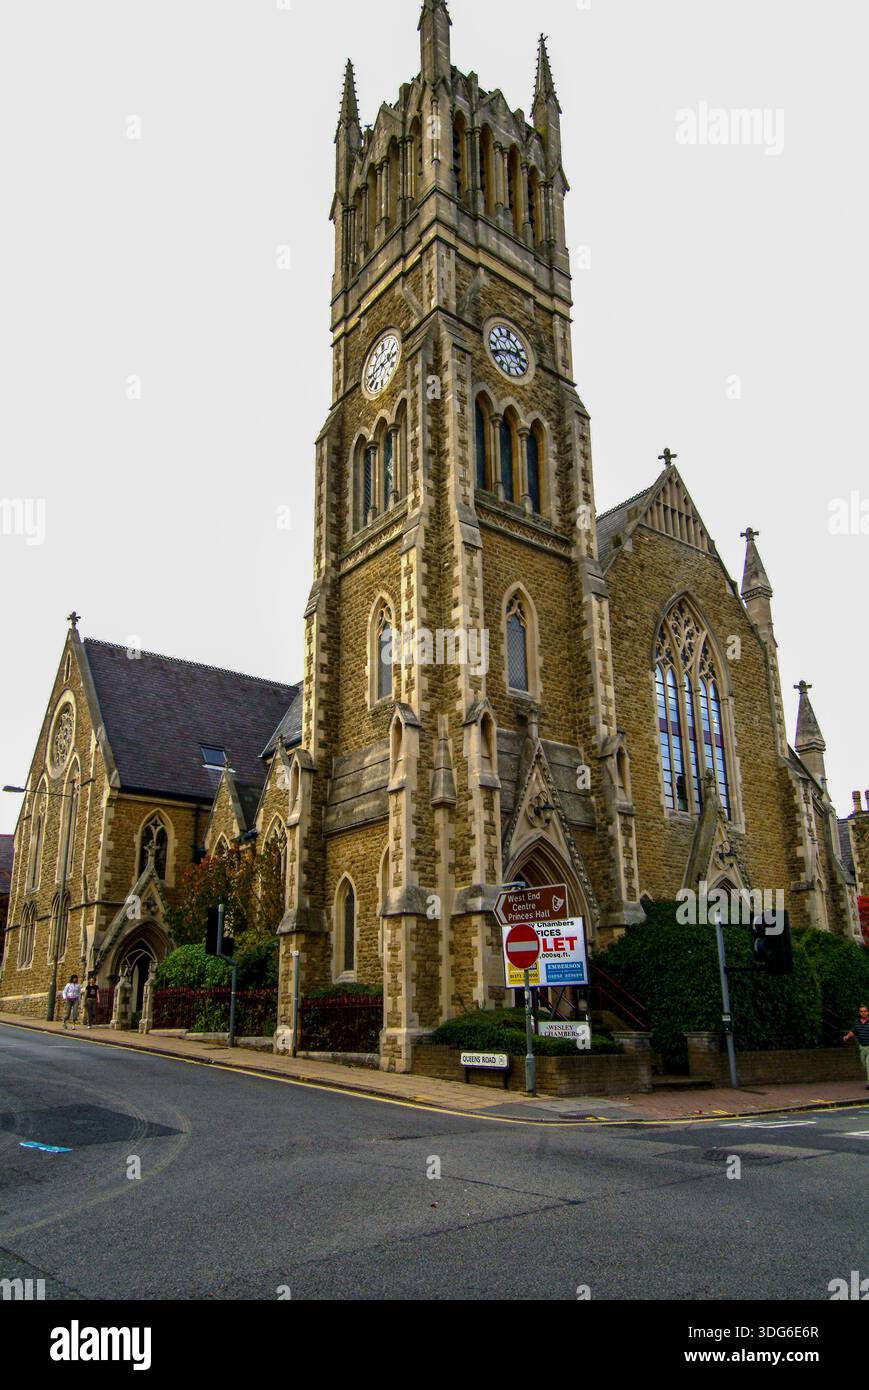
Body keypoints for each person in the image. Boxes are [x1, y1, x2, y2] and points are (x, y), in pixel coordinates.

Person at [843, 1003, 869, 1089]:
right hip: (862, 1047)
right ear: (859, 1013)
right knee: (865, 1066)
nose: (863, 1013)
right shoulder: (857, 1022)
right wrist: (847, 1036)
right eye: (861, 1011)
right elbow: (853, 1032)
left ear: (867, 1012)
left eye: (865, 1011)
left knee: (868, 1065)